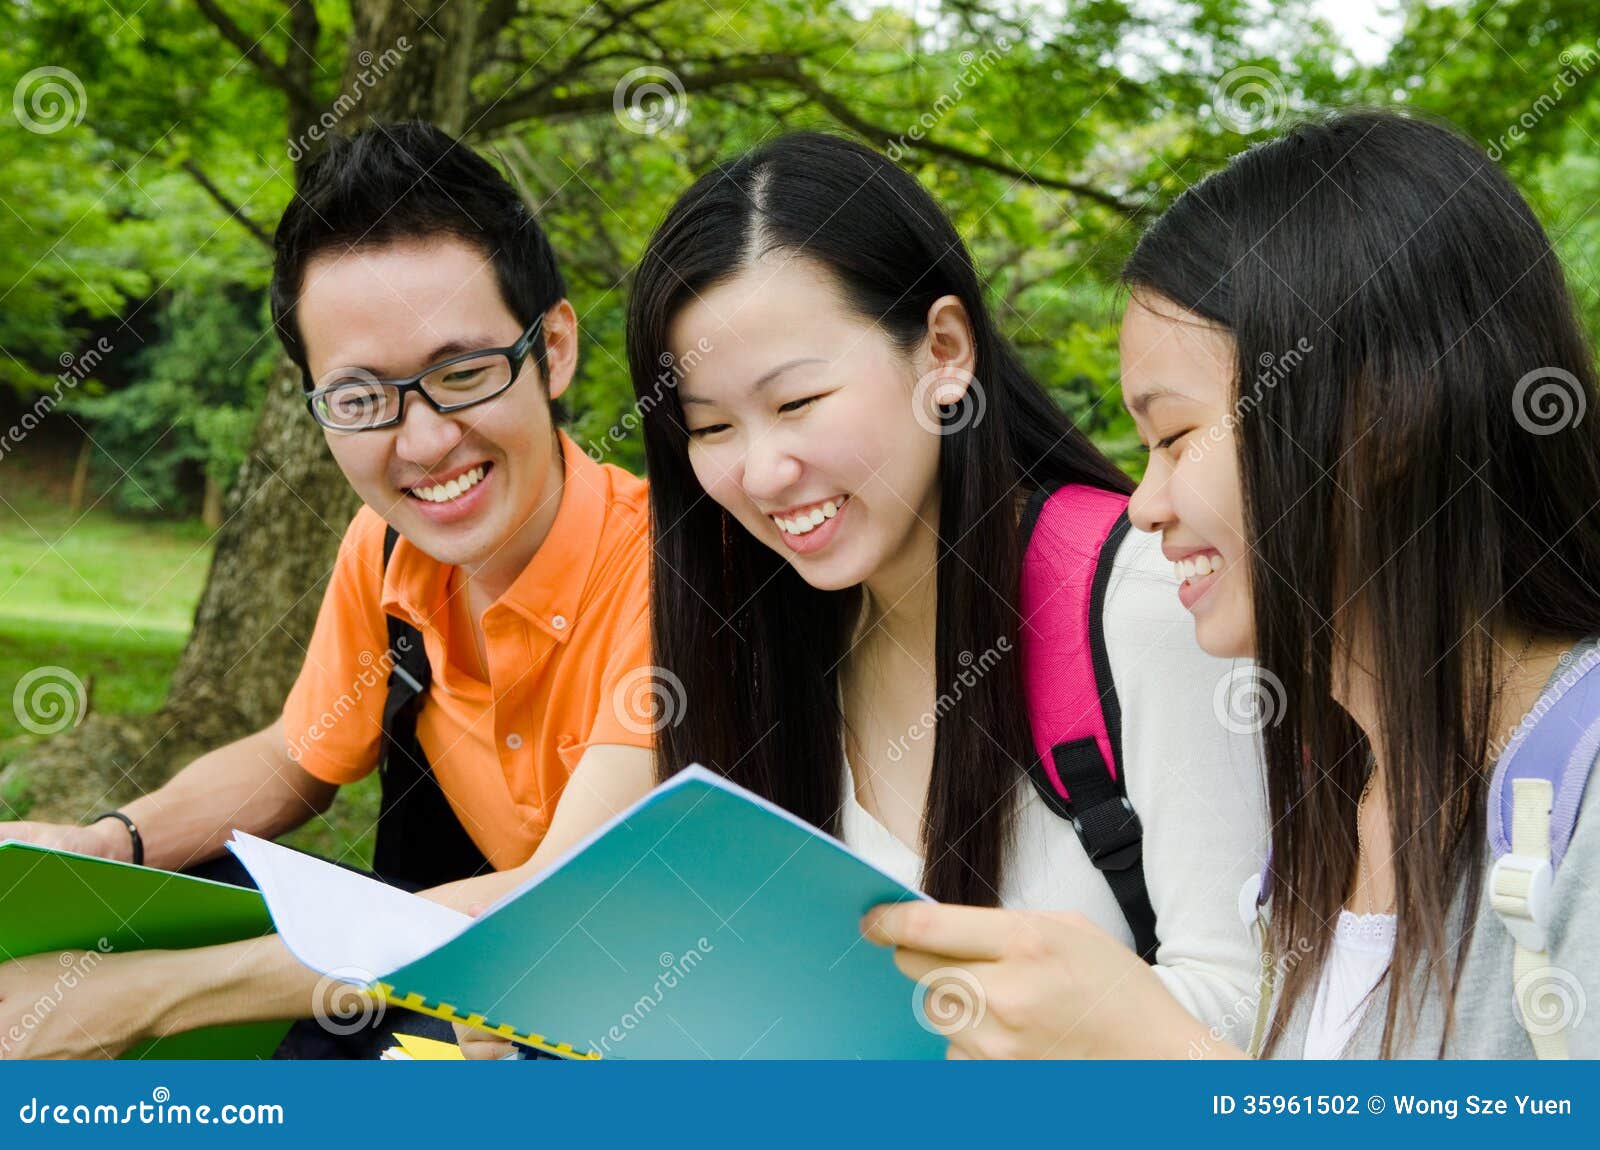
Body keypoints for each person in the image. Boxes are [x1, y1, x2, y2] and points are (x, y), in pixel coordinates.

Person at [864, 110, 1600, 1059]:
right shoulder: (1320, 816)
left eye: (1173, 438)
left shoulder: (1578, 802)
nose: (1143, 506)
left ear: (1377, 419)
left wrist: (1168, 1067)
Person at [0, 122, 656, 1059]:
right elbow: (298, 759)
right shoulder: (389, 547)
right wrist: (106, 843)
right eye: (359, 398)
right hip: (469, 1008)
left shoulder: (668, 573)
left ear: (552, 349)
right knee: (182, 892)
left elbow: (555, 907)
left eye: (462, 372)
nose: (424, 444)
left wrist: (139, 998)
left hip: (641, 1017)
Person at [612, 131, 1267, 1052]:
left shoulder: (1145, 597)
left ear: (945, 352)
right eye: (711, 426)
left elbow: (1258, 1017)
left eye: (797, 403)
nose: (762, 472)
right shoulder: (760, 637)